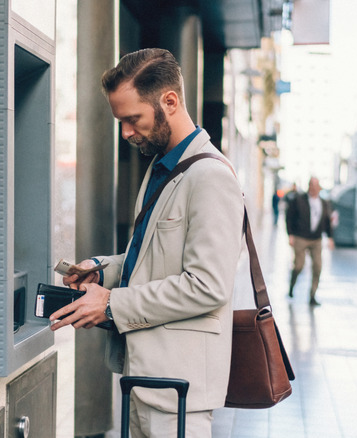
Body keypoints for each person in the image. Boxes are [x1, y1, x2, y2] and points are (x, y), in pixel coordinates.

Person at [49, 48, 244, 437]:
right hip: (143, 377)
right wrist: (102, 270)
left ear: (169, 102)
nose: (125, 132)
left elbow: (208, 286)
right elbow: (153, 255)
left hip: (179, 392)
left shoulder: (211, 177)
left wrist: (111, 303)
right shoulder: (161, 167)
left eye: (132, 119)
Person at [285, 176, 334, 305]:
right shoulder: (299, 200)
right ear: (309, 186)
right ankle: (291, 287)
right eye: (312, 185)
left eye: (316, 186)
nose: (314, 188)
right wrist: (290, 234)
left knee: (318, 266)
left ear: (319, 188)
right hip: (301, 237)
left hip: (316, 239)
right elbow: (289, 217)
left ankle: (312, 295)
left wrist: (330, 237)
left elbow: (327, 220)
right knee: (299, 265)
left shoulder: (323, 202)